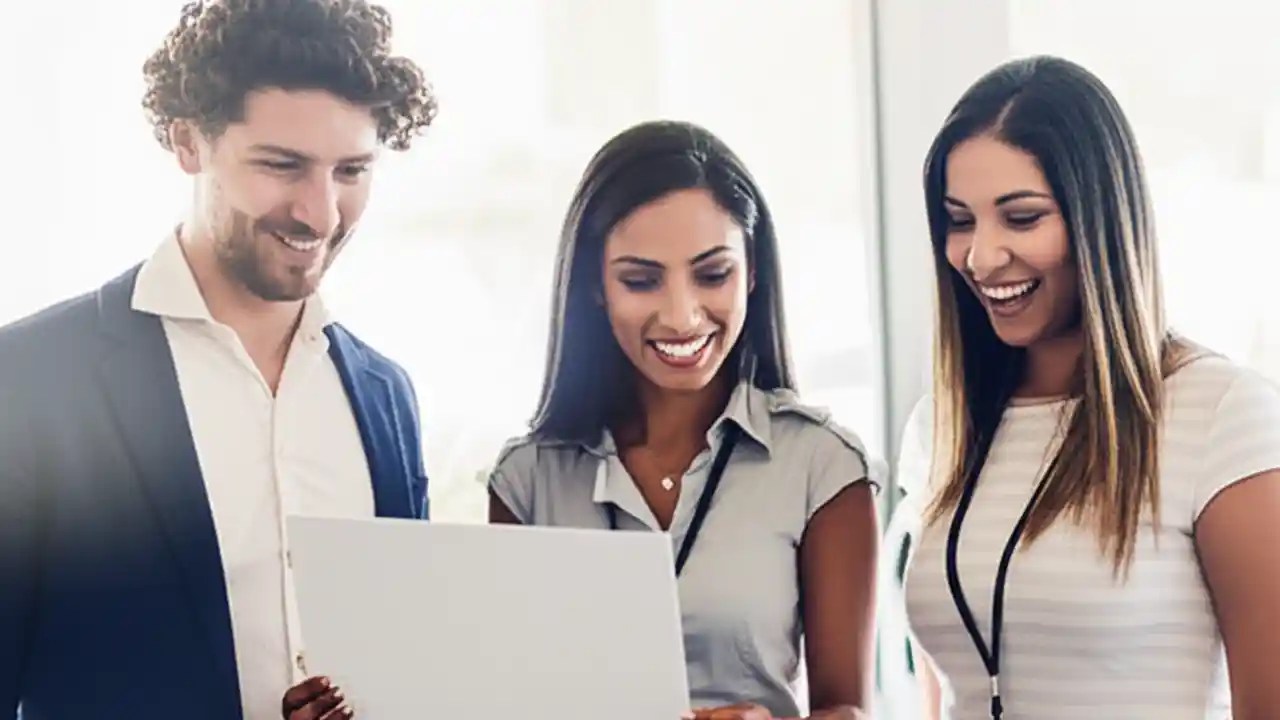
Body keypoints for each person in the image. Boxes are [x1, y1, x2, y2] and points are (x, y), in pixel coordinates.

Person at [0, 1, 436, 718]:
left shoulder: (385, 395)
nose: (321, 213)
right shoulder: (33, 382)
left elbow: (404, 668)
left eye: (351, 170)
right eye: (281, 166)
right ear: (187, 142)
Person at [898, 55, 1280, 719]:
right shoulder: (941, 427)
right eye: (959, 221)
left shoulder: (1221, 415)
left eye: (1020, 218)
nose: (981, 256)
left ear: (1099, 220)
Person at [485, 120, 878, 720]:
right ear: (595, 286)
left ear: (754, 271)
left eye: (713, 274)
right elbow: (505, 701)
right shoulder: (528, 480)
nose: (681, 316)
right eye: (641, 281)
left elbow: (847, 709)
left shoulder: (820, 464)